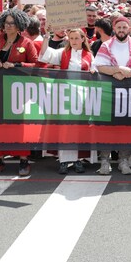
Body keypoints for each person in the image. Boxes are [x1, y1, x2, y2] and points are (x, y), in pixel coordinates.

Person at [0, 9, 38, 176]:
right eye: (6, 23)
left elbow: (37, 65)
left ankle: (23, 159)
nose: (8, 26)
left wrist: (17, 65)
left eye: (12, 23)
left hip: (19, 90)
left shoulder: (26, 43)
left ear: (19, 25)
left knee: (20, 126)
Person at [93, 16, 131, 174]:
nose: (121, 30)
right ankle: (105, 160)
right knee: (106, 128)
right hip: (109, 92)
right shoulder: (106, 45)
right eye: (119, 27)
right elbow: (99, 66)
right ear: (114, 29)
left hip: (129, 92)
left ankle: (123, 160)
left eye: (124, 27)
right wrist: (117, 70)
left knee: (126, 127)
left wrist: (124, 74)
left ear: (129, 29)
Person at [39, 28, 94, 174]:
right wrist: (46, 36)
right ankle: (63, 160)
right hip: (63, 95)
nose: (74, 41)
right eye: (71, 38)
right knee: (64, 128)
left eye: (76, 38)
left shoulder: (89, 55)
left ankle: (77, 159)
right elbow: (45, 55)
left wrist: (94, 72)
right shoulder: (62, 52)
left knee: (78, 128)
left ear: (83, 39)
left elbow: (95, 71)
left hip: (82, 96)